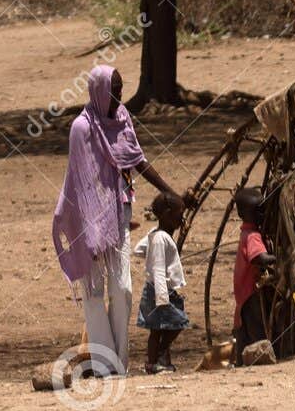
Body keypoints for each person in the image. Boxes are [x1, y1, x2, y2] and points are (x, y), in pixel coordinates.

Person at [51, 64, 190, 376]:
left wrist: (170, 192)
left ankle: (119, 362)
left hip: (120, 215)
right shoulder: (81, 128)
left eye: (121, 89)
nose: (118, 96)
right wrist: (92, 230)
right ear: (99, 91)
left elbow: (136, 159)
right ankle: (104, 364)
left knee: (123, 289)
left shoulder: (122, 117)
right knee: (94, 292)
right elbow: (82, 182)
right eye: (114, 91)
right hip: (90, 223)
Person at [135, 194, 189, 373]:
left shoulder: (155, 235)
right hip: (160, 291)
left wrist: (152, 254)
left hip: (157, 290)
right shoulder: (160, 238)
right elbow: (158, 269)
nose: (182, 218)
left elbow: (139, 249)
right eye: (179, 214)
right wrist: (162, 297)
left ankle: (154, 363)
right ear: (167, 214)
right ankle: (160, 353)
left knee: (156, 330)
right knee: (178, 322)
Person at [232, 189, 279, 364]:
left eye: (262, 209)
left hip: (243, 291)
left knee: (244, 327)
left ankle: (240, 360)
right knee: (255, 326)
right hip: (251, 291)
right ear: (242, 214)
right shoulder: (252, 236)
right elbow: (259, 258)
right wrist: (278, 258)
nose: (261, 214)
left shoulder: (246, 233)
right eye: (257, 210)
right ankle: (259, 356)